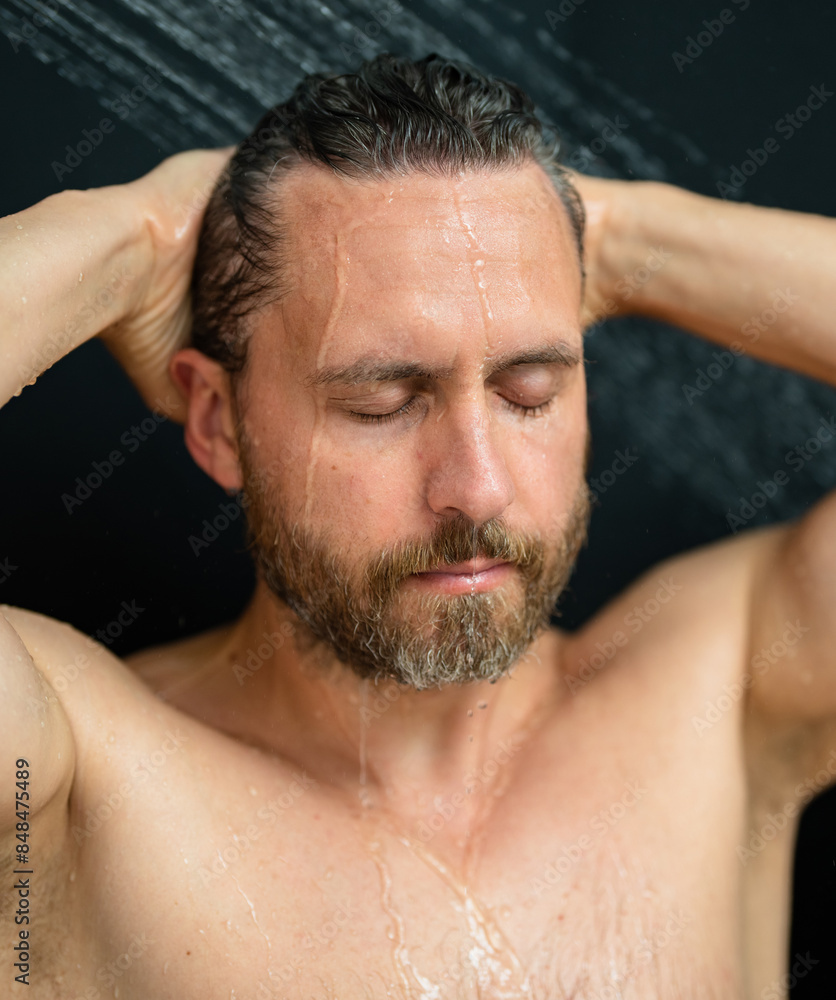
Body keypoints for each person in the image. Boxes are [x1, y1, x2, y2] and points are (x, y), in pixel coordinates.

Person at [1, 52, 834, 999]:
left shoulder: (724, 697)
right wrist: (128, 237)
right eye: (384, 403)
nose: (476, 490)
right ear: (219, 421)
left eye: (529, 393)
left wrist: (618, 232)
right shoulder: (68, 790)